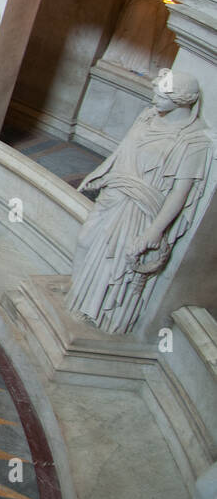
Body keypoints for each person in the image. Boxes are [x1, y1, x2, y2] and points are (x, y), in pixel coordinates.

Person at [67, 72, 211, 334]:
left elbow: (181, 193)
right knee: (85, 240)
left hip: (142, 208)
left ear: (180, 100)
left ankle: (97, 311)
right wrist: (100, 173)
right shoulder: (147, 117)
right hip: (115, 194)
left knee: (117, 261)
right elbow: (122, 151)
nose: (154, 97)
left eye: (161, 95)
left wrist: (153, 232)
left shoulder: (193, 142)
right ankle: (79, 295)